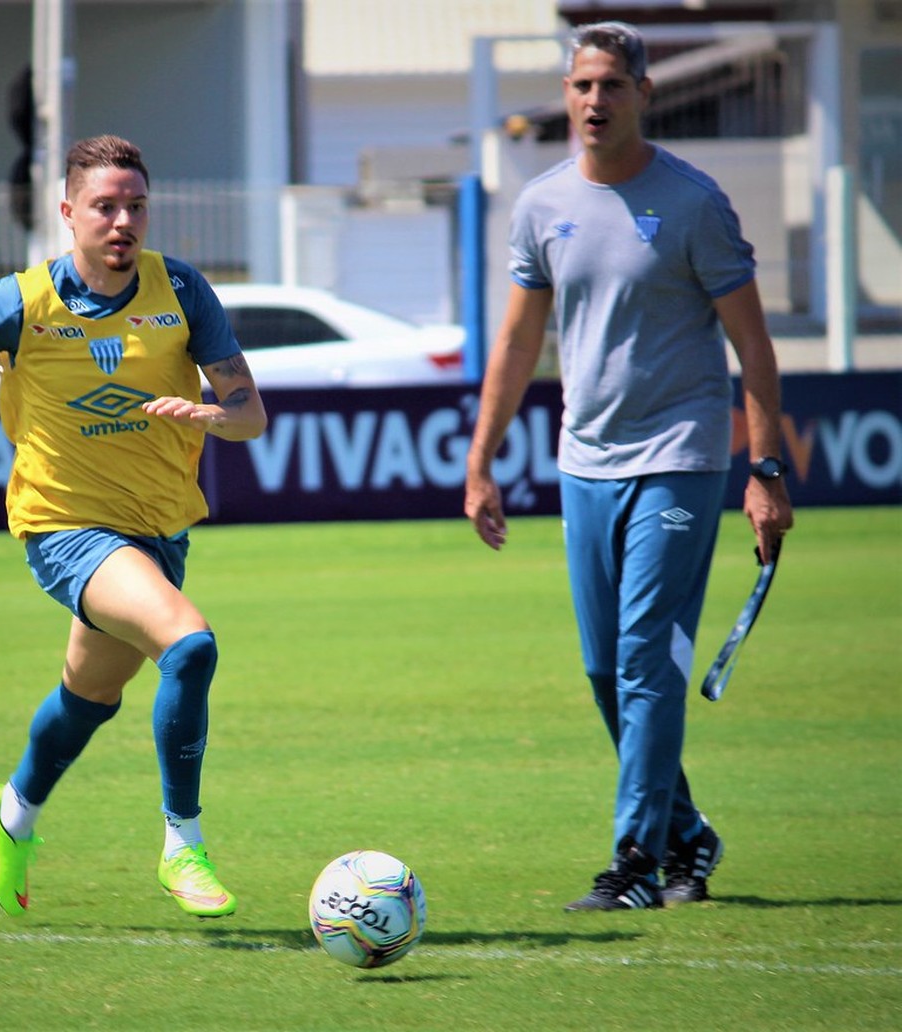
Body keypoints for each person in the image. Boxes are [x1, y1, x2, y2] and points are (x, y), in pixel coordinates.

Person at [0, 134, 267, 919]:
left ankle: (13, 814)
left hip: (158, 532)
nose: (123, 221)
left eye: (135, 206)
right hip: (64, 530)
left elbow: (250, 414)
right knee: (190, 647)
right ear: (68, 213)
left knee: (90, 696)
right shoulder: (22, 302)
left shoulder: (182, 289)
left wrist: (212, 415)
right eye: (105, 206)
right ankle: (182, 843)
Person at [464, 22, 793, 911]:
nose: (595, 101)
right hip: (585, 462)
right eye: (581, 86)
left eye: (612, 84)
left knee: (646, 660)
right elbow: (517, 339)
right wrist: (483, 460)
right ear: (566, 95)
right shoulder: (541, 204)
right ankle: (689, 839)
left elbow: (753, 349)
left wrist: (765, 470)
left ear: (645, 93)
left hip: (681, 459)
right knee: (605, 671)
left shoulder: (693, 202)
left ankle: (635, 864)